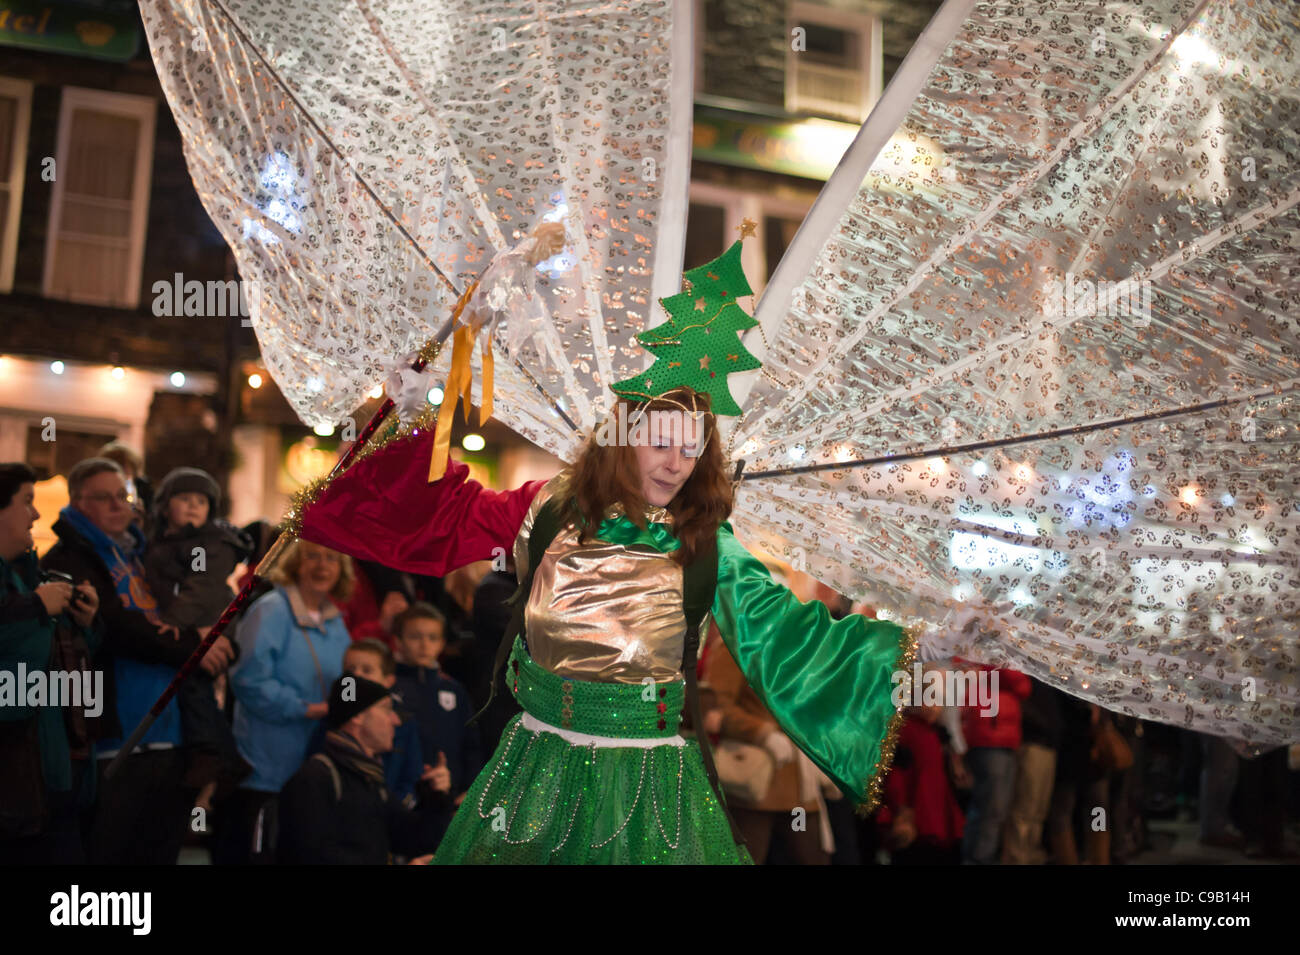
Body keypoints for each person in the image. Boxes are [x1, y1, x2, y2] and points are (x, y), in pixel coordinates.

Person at [297, 383, 915, 864]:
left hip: (651, 791)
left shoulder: (706, 545)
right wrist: (406, 421)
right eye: (661, 442)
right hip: (534, 769)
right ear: (624, 437)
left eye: (691, 447)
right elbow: (438, 519)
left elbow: (790, 638)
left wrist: (923, 642)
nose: (676, 465)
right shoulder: (548, 510)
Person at [41, 457, 235, 864]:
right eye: (104, 497)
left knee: (159, 850)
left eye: (122, 496)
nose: (118, 505)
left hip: (168, 731)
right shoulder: (69, 558)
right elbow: (115, 626)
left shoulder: (140, 549)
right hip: (115, 737)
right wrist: (192, 644)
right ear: (78, 502)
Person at [217, 540, 352, 864]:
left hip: (310, 760)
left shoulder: (335, 621)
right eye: (313, 556)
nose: (322, 565)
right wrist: (305, 708)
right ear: (294, 563)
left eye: (331, 558)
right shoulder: (271, 609)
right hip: (264, 762)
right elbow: (248, 680)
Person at [0, 463, 100, 864]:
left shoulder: (27, 576)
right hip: (16, 780)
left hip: (51, 772)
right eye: (26, 502)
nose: (37, 514)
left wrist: (83, 626)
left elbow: (70, 671)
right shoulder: (25, 591)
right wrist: (36, 609)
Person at [143, 467, 252, 797]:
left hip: (210, 622)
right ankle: (223, 755)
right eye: (184, 498)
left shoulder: (209, 545)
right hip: (193, 625)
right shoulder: (164, 542)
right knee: (192, 690)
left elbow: (200, 587)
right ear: (165, 506)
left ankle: (213, 752)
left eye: (201, 501)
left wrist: (174, 621)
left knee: (195, 690)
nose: (193, 506)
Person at [277, 674, 445, 864]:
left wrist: (436, 797)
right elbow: (309, 856)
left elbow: (414, 841)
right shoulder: (316, 778)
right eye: (386, 709)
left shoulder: (370, 778)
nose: (395, 720)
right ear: (357, 716)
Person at [705, 620, 831, 864]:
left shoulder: (792, 648)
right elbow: (718, 706)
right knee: (750, 857)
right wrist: (761, 733)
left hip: (798, 788)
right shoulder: (734, 646)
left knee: (811, 855)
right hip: (756, 786)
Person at [307, 639, 427, 808]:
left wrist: (394, 809)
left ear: (388, 680)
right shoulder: (332, 721)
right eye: (350, 670)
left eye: (367, 670)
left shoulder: (403, 724)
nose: (356, 676)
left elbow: (411, 777)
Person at [391, 603, 482, 810]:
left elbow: (471, 743)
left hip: (449, 794)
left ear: (441, 643)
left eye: (432, 638)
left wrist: (471, 787)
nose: (424, 645)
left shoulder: (454, 689)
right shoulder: (388, 686)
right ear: (398, 642)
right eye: (415, 637)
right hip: (402, 798)